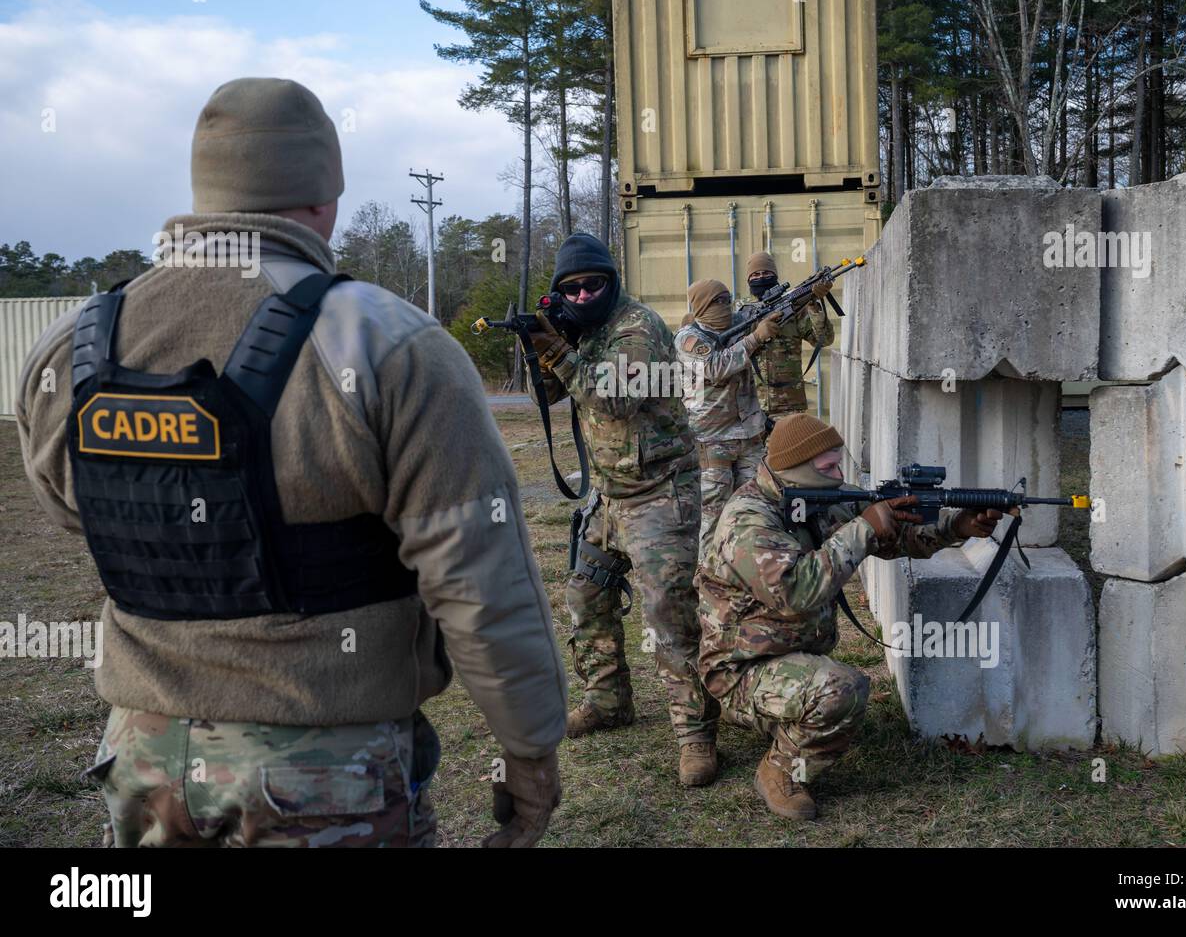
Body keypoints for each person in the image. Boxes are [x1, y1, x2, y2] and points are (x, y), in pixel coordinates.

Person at [17, 77, 566, 848]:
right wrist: (530, 747)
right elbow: (481, 576)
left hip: (140, 762)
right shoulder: (390, 345)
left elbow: (75, 513)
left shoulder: (70, 348)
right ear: (324, 195)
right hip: (326, 773)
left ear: (205, 190)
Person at [695, 414, 1011, 819]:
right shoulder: (748, 520)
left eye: (837, 463)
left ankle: (792, 715)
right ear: (793, 470)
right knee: (841, 689)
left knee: (830, 688)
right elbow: (797, 592)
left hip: (790, 655)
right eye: (827, 467)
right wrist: (862, 528)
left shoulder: (818, 495)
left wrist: (957, 525)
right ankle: (781, 771)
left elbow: (898, 536)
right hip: (739, 669)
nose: (839, 474)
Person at [527, 233, 720, 787]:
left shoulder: (637, 329)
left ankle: (695, 734)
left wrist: (559, 348)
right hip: (610, 495)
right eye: (572, 289)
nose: (584, 295)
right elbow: (556, 392)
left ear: (612, 282)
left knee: (668, 616)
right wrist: (540, 345)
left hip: (662, 493)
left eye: (593, 285)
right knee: (586, 595)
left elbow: (611, 396)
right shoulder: (583, 329)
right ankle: (608, 701)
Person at [673, 278, 777, 550]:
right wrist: (756, 337)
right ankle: (707, 576)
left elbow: (765, 316)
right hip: (711, 440)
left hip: (748, 437)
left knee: (756, 507)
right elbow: (716, 366)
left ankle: (747, 568)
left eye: (726, 300)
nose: (724, 306)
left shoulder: (737, 324)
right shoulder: (688, 338)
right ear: (701, 306)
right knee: (713, 515)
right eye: (716, 302)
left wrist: (806, 300)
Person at [739, 251, 835, 422]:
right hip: (750, 406)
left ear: (775, 276)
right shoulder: (740, 311)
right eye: (756, 274)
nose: (761, 277)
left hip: (789, 405)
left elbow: (824, 339)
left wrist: (813, 304)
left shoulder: (793, 308)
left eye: (767, 273)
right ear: (748, 279)